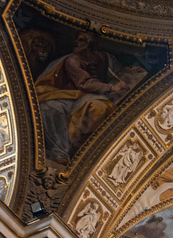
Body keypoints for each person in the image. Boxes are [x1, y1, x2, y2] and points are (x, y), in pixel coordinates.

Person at [34, 32, 144, 164]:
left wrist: (133, 72)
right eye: (77, 40)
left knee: (101, 107)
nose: (77, 43)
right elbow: (84, 83)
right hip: (66, 96)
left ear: (90, 43)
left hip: (90, 96)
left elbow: (118, 76)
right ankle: (59, 151)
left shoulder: (106, 58)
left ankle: (85, 150)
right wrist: (110, 88)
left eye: (81, 40)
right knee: (49, 108)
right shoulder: (72, 60)